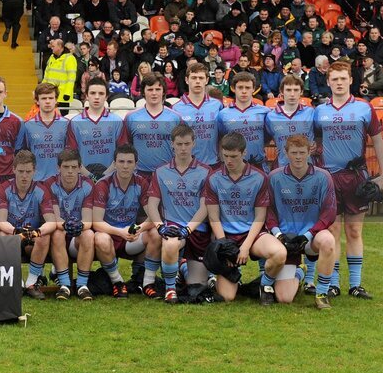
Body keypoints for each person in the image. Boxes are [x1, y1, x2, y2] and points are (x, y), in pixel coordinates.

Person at [314, 60, 383, 299]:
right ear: (328, 82)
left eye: (342, 78)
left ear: (350, 80)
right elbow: (314, 144)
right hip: (329, 178)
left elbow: (378, 141)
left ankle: (355, 285)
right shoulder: (319, 111)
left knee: (354, 230)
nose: (338, 82)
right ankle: (333, 283)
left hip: (356, 177)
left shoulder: (365, 108)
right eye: (334, 79)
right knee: (333, 230)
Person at [204, 132, 287, 305]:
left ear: (243, 153)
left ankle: (265, 286)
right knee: (227, 297)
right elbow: (213, 217)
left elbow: (260, 217)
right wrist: (224, 247)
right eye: (225, 156)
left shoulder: (259, 177)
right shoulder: (213, 178)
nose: (229, 161)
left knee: (279, 253)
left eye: (233, 156)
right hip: (226, 236)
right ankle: (233, 278)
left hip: (252, 234)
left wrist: (246, 247)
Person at [267, 135, 338, 308]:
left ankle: (321, 293)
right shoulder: (274, 177)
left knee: (328, 241)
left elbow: (329, 213)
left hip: (311, 237)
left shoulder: (323, 177)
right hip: (286, 239)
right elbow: (268, 211)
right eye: (293, 152)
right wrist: (278, 235)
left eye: (302, 152)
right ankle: (300, 271)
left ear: (309, 152)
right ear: (285, 153)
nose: (298, 157)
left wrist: (308, 235)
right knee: (284, 298)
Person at [144, 124, 212, 304]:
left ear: (194, 144)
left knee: (197, 286)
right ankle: (170, 289)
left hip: (197, 230)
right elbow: (152, 205)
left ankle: (182, 267)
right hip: (173, 227)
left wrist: (188, 230)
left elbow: (205, 207)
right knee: (170, 243)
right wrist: (160, 228)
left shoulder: (205, 171)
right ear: (172, 144)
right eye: (179, 144)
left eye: (187, 144)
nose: (183, 148)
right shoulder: (160, 171)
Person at [91, 145, 161, 299]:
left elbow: (154, 216)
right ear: (114, 163)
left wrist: (139, 228)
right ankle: (118, 282)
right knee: (100, 238)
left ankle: (148, 283)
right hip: (110, 235)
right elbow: (96, 222)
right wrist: (119, 232)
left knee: (156, 233)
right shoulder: (103, 184)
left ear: (136, 164)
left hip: (131, 237)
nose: (125, 166)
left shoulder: (141, 183)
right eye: (121, 161)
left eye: (130, 162)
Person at [0, 150, 56, 300]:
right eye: (21, 171)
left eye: (28, 171)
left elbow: (52, 221)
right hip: (13, 233)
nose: (24, 175)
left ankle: (32, 283)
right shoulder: (4, 188)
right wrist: (17, 231)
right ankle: (17, 282)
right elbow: (1, 221)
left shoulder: (41, 190)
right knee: (2, 235)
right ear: (13, 169)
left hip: (31, 235)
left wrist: (36, 232)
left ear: (35, 171)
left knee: (44, 236)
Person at [45, 148, 95, 300]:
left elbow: (87, 219)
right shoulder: (50, 184)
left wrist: (80, 226)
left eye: (74, 167)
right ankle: (65, 285)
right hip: (59, 230)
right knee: (57, 233)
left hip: (77, 235)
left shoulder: (88, 185)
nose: (70, 171)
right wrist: (66, 225)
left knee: (89, 234)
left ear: (80, 168)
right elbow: (55, 218)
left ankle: (82, 285)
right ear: (58, 168)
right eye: (66, 167)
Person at [65, 77, 124, 179]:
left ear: (106, 96)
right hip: (83, 177)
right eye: (92, 93)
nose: (97, 97)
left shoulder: (117, 121)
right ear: (86, 95)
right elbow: (72, 155)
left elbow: (122, 152)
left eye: (101, 93)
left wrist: (106, 174)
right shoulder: (75, 122)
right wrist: (89, 176)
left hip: (111, 176)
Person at [124, 72, 181, 175]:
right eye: (150, 89)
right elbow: (127, 145)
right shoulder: (131, 117)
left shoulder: (176, 117)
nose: (154, 93)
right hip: (139, 174)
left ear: (163, 92)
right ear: (143, 92)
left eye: (158, 89)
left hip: (168, 174)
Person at [172, 62, 224, 167]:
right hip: (188, 165)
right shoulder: (176, 108)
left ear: (207, 80)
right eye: (194, 78)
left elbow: (223, 134)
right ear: (187, 80)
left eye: (201, 78)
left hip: (213, 163)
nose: (197, 81)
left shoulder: (217, 105)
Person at [216, 72, 270, 168]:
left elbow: (267, 136)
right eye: (240, 87)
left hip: (258, 164)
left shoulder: (264, 112)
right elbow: (221, 138)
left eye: (248, 88)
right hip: (233, 166)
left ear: (253, 89)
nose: (244, 91)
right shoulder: (223, 114)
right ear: (233, 88)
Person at [264, 74, 315, 169]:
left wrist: (317, 144)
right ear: (281, 91)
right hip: (283, 168)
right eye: (288, 90)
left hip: (309, 169)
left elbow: (321, 135)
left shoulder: (311, 112)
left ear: (301, 92)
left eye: (296, 90)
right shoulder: (271, 117)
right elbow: (264, 140)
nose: (292, 94)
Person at [23, 82, 70, 182]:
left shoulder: (67, 124)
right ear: (37, 101)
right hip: (37, 181)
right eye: (44, 98)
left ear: (56, 100)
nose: (47, 102)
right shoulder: (28, 126)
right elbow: (24, 157)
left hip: (61, 182)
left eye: (51, 98)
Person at [43, 38, 77, 111]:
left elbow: (71, 78)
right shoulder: (51, 57)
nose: (51, 48)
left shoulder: (70, 58)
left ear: (60, 46)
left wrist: (67, 93)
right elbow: (46, 75)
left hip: (63, 96)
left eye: (53, 46)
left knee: (62, 119)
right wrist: (42, 89)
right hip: (50, 94)